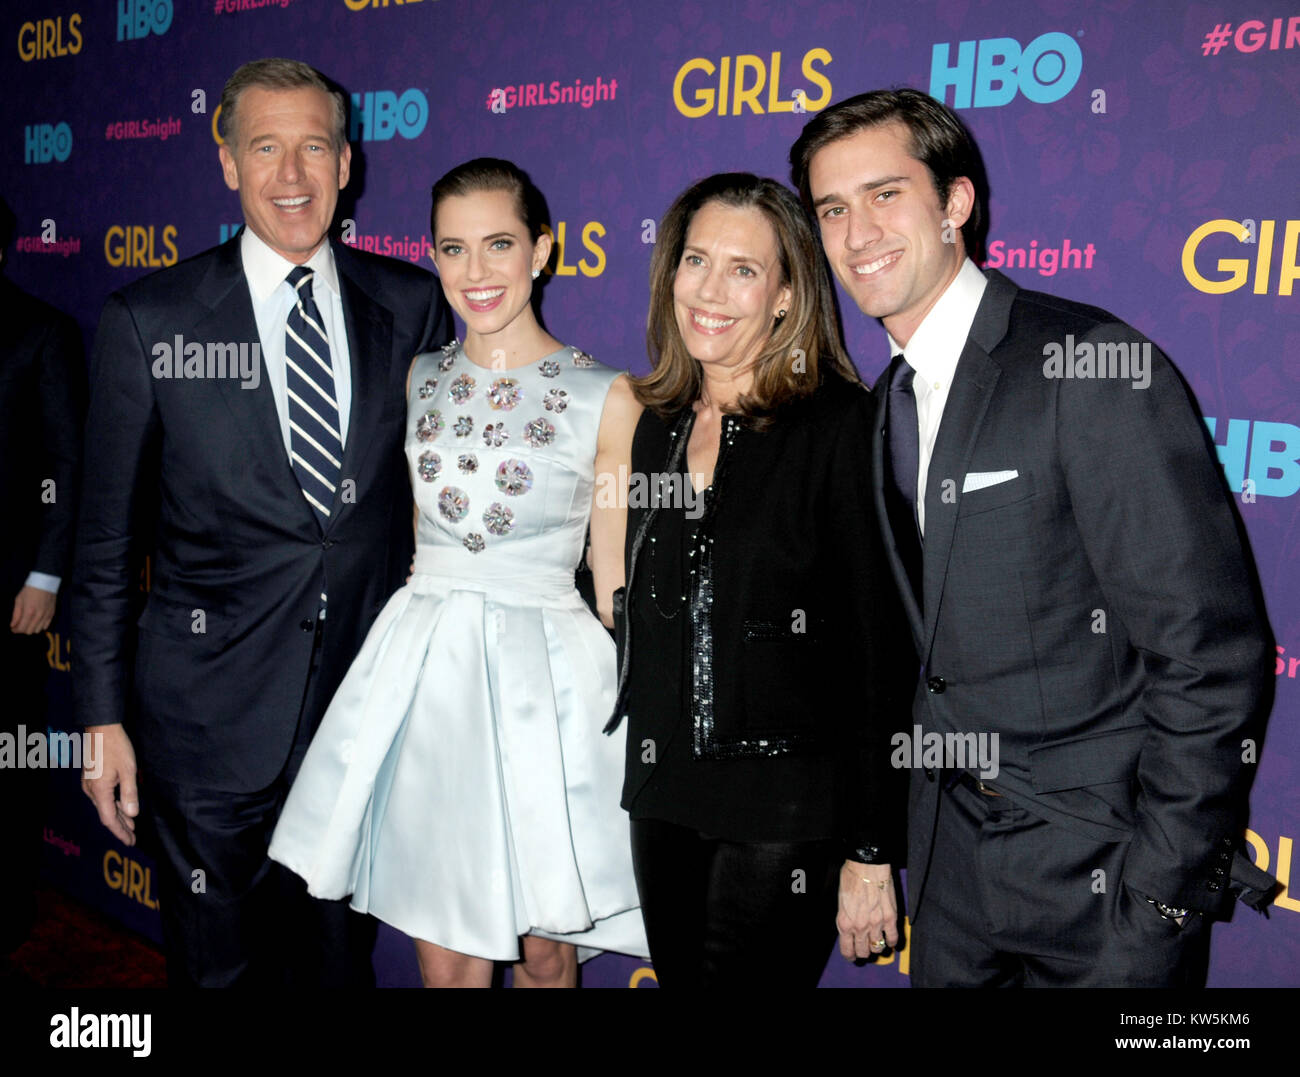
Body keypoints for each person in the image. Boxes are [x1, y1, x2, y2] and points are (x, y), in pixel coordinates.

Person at [790, 88, 1276, 987]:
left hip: (1101, 893)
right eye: (832, 209)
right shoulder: (879, 407)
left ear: (957, 203)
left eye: (886, 194)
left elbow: (1208, 661)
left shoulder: (1086, 366)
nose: (858, 233)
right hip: (952, 889)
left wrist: (1159, 905)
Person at [72, 58, 453, 987]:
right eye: (266, 148)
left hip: (357, 718)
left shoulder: (409, 304)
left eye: (314, 148)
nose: (293, 176)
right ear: (228, 164)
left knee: (334, 962)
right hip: (203, 726)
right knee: (220, 973)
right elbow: (105, 543)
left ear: (349, 163)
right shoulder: (149, 319)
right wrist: (100, 720)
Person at [269, 158, 647, 988]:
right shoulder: (417, 375)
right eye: (453, 248)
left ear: (543, 250)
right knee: (449, 957)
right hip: (427, 676)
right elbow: (410, 538)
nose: (475, 273)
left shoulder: (608, 395)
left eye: (500, 244)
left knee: (548, 949)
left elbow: (612, 573)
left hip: (545, 684)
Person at [604, 173, 912, 987]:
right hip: (664, 793)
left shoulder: (841, 426)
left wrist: (872, 849)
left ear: (785, 296)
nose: (710, 289)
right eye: (696, 259)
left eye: (744, 269)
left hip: (788, 807)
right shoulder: (657, 426)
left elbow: (882, 654)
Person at [0, 196, 85, 960]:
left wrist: (45, 575)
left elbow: (67, 464)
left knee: (9, 748)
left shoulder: (41, 331)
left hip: (10, 591)